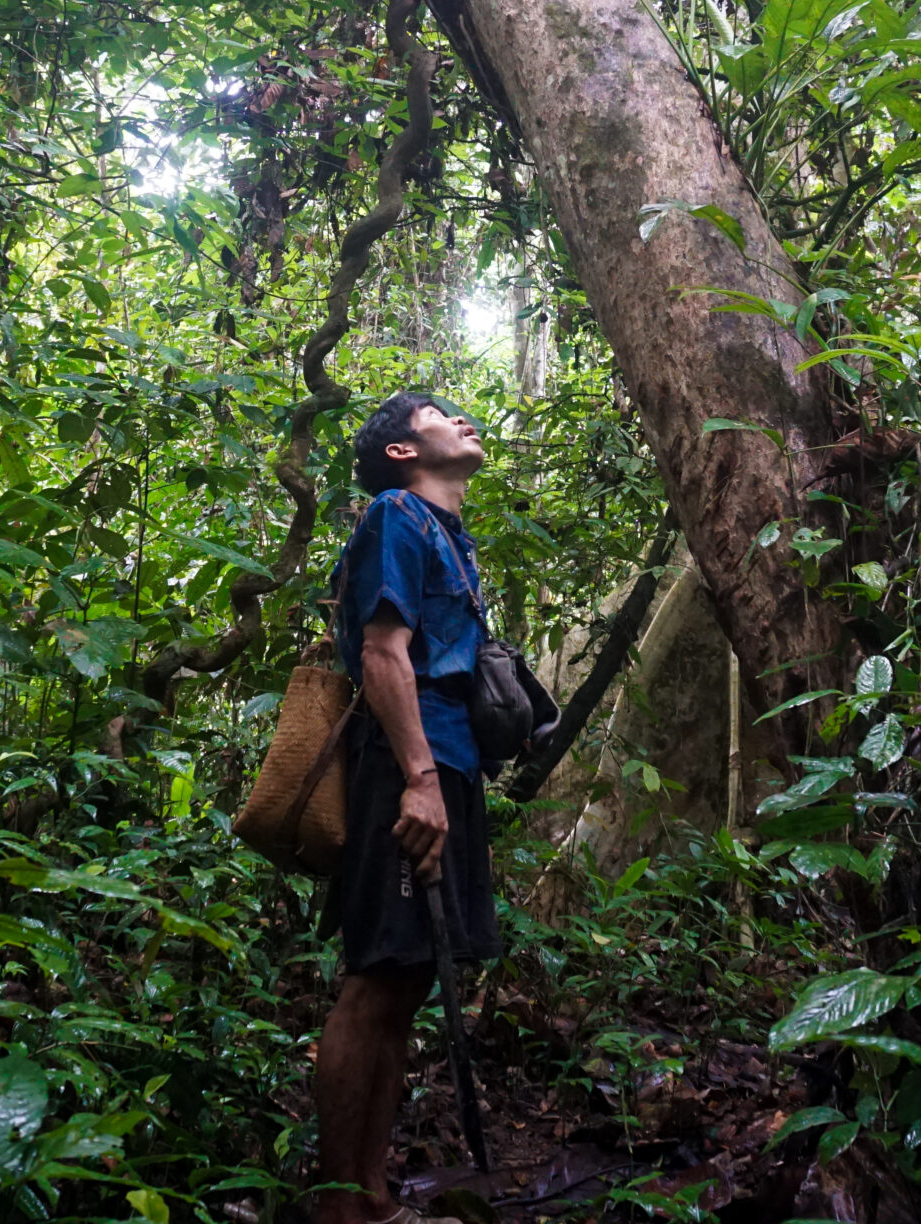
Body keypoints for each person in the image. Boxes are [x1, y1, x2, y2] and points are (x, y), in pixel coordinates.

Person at [309, 391, 500, 1224]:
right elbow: (384, 655)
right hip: (404, 767)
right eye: (438, 413)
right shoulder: (396, 514)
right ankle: (339, 1205)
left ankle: (372, 1198)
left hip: (445, 767)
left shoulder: (450, 536)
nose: (462, 420)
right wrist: (419, 778)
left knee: (409, 981)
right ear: (401, 451)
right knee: (376, 980)